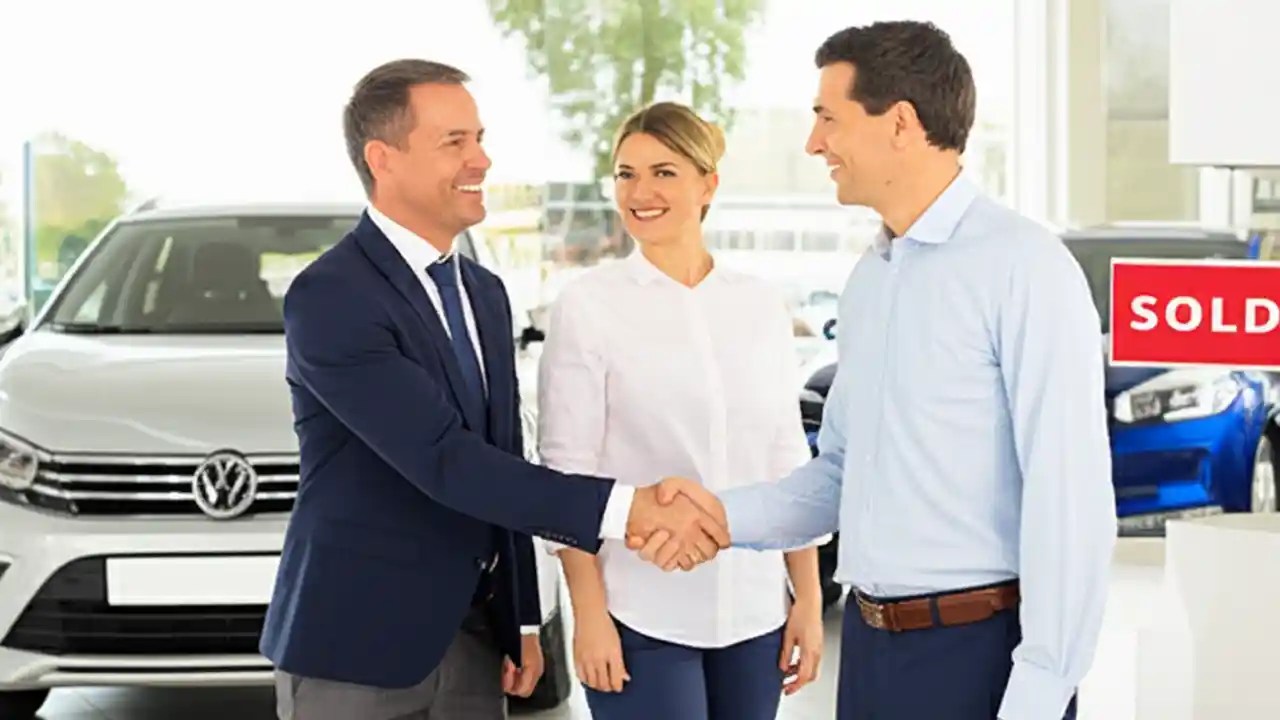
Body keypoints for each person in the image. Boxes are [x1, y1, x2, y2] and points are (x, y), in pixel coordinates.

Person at [635, 20, 1116, 720]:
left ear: (900, 123)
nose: (814, 143)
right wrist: (719, 515)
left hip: (980, 656)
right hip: (870, 652)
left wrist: (1040, 693)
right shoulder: (872, 278)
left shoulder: (1025, 267)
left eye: (828, 118)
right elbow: (840, 473)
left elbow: (1068, 500)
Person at [259, 59, 730, 720]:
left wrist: (523, 618)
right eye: (455, 142)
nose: (481, 159)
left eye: (479, 139)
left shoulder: (483, 292)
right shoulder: (332, 296)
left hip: (478, 643)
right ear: (382, 159)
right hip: (356, 646)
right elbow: (446, 459)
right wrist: (633, 509)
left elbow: (502, 454)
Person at [536, 101, 827, 720]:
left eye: (663, 172)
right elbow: (566, 474)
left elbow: (786, 458)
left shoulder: (758, 304)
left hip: (755, 613)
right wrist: (589, 616)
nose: (640, 192)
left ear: (708, 184)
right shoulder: (588, 305)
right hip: (639, 612)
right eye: (626, 174)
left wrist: (805, 597)